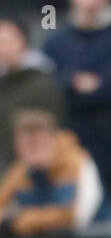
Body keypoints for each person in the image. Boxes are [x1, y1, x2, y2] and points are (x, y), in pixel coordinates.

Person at [41, 0, 111, 220]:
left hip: (106, 150)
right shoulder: (55, 42)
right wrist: (74, 84)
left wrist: (91, 88)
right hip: (63, 149)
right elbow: (50, 87)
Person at [0, 108, 98, 238]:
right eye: (26, 145)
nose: (32, 152)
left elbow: (71, 217)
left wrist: (18, 221)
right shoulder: (20, 170)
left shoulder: (77, 164)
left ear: (52, 141)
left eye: (38, 145)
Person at [0, 19, 65, 171]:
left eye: (5, 41)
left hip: (34, 169)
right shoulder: (3, 81)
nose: (2, 48)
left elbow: (52, 128)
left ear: (22, 41)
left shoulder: (42, 82)